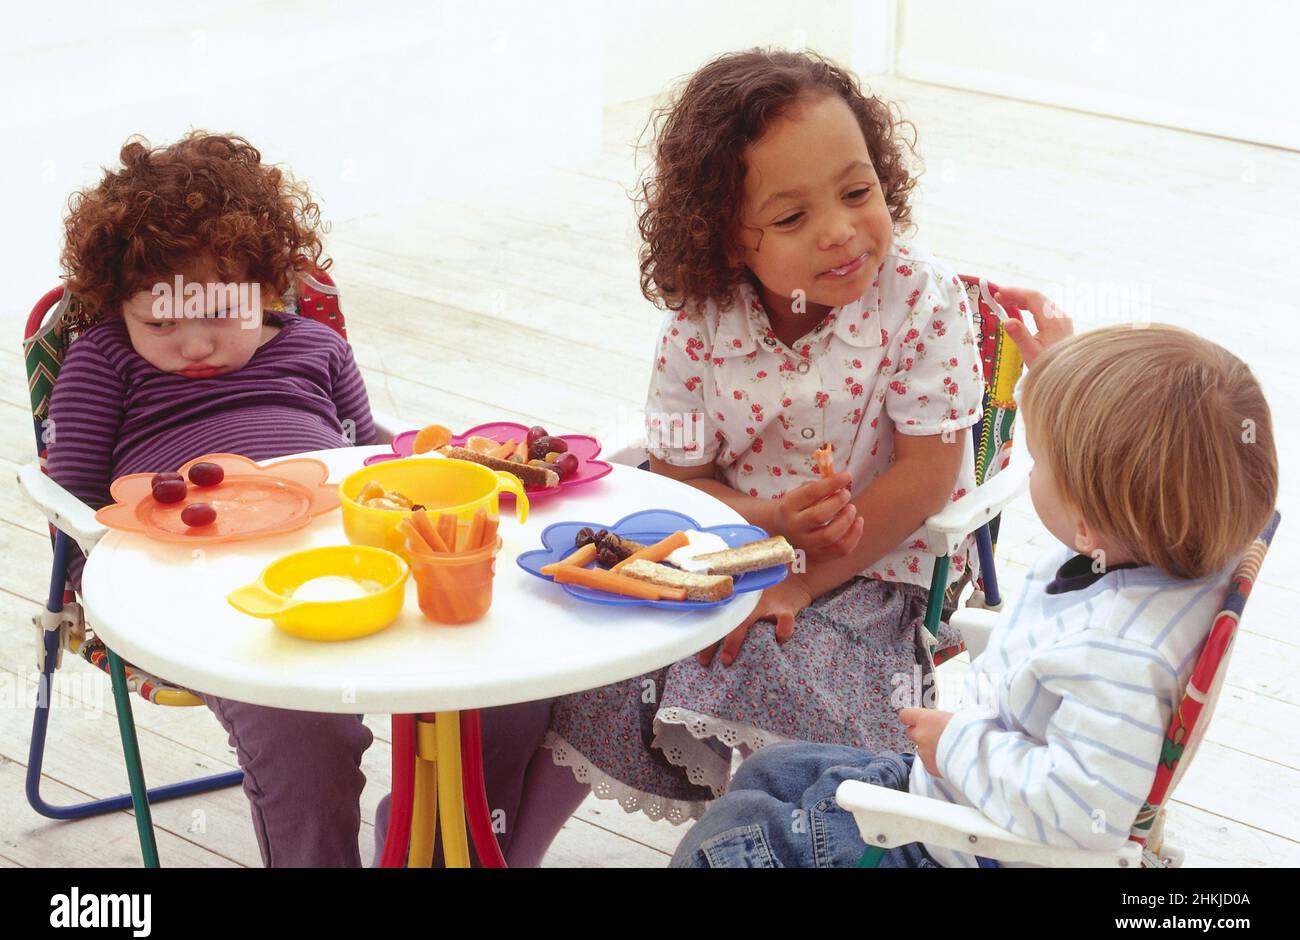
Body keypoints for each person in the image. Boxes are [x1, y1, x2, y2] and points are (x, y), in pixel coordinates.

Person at [48, 132, 552, 866]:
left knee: (508, 676)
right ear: (120, 308)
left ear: (267, 283)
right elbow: (75, 490)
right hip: (201, 585)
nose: (191, 345)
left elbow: (370, 453)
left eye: (219, 313)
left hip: (344, 555)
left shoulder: (313, 346)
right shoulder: (106, 360)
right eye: (159, 321)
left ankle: (442, 842)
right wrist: (115, 576)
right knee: (299, 724)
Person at [541, 48, 992, 825]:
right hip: (732, 546)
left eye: (859, 191)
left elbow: (925, 475)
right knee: (598, 660)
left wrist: (805, 575)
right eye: (792, 217)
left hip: (873, 570)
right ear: (724, 238)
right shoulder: (699, 326)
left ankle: (785, 831)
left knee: (770, 656)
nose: (842, 232)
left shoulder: (920, 303)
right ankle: (498, 837)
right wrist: (775, 521)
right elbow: (681, 479)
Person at [670, 304, 1279, 867]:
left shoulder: (1116, 657)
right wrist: (1067, 384)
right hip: (960, 786)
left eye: (1040, 463)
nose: (1032, 469)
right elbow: (1146, 463)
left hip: (958, 842)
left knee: (723, 843)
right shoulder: (1170, 546)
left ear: (1090, 519)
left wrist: (955, 746)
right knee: (774, 771)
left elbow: (1080, 814)